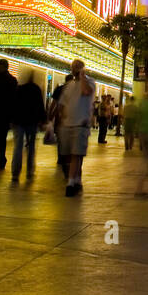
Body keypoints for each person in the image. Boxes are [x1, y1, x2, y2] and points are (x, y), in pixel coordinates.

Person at [57, 58, 94, 196]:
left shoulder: (89, 82)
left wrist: (83, 76)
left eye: (78, 66)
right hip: (67, 125)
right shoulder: (69, 85)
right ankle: (77, 179)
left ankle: (71, 183)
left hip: (81, 124)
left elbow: (86, 92)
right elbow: (61, 104)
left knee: (75, 155)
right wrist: (60, 118)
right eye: (73, 67)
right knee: (69, 156)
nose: (75, 69)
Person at [12, 70, 46, 181]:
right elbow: (40, 106)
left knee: (18, 146)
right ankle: (30, 171)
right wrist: (43, 120)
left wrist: (12, 119)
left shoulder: (19, 89)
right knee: (31, 147)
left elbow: (14, 105)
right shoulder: (36, 89)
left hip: (19, 121)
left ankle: (15, 172)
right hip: (32, 122)